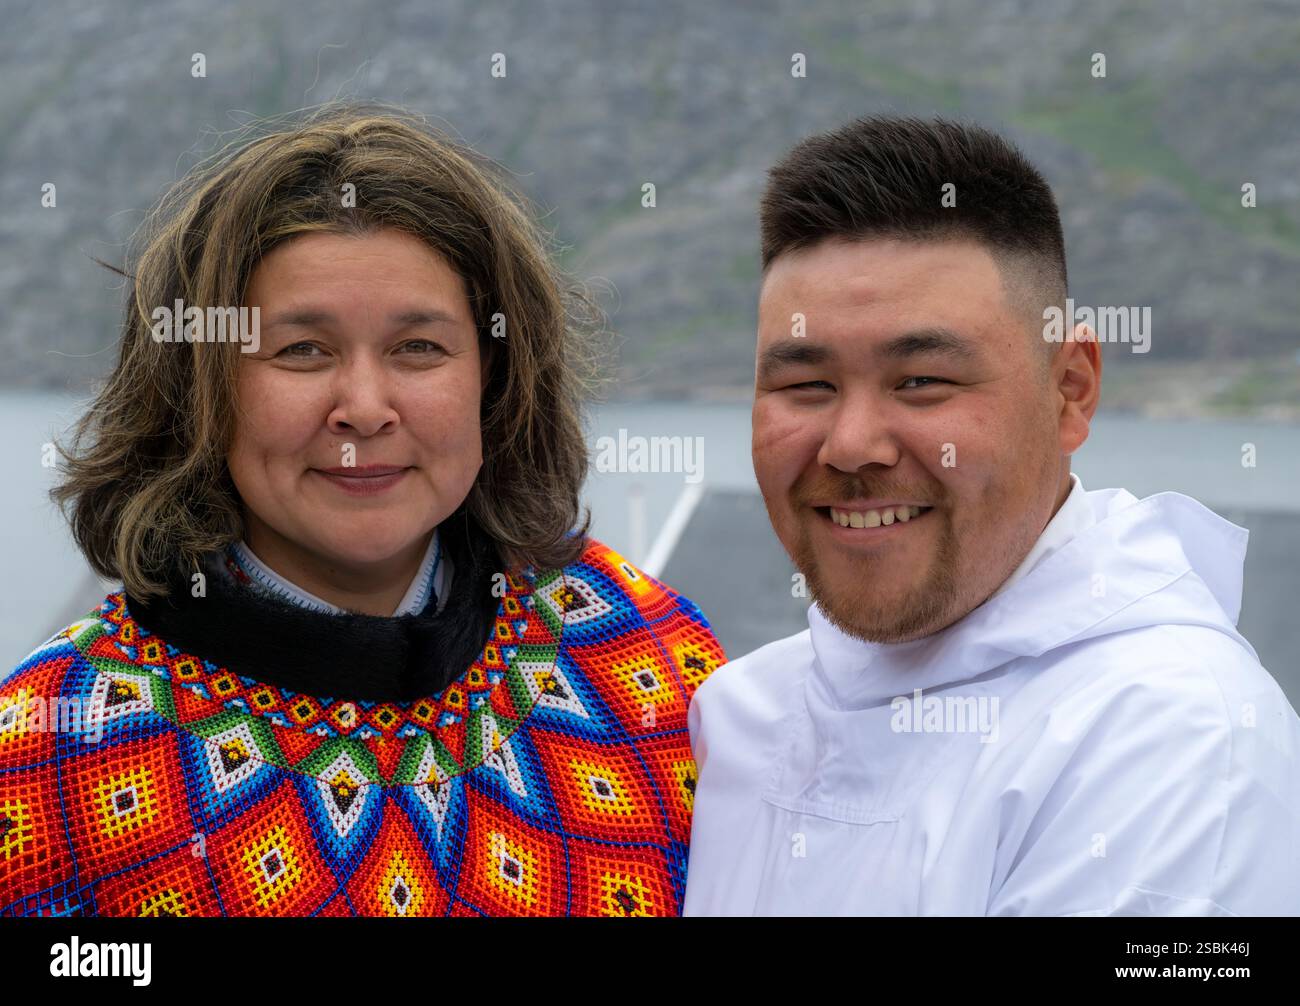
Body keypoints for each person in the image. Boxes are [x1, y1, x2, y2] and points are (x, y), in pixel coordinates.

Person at [0, 103, 725, 917]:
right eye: (301, 350)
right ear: (197, 388)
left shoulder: (652, 664)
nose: (366, 409)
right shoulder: (45, 758)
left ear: (493, 375)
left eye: (419, 347)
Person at [683, 115, 1300, 916]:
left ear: (1070, 390)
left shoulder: (1174, 742)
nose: (853, 445)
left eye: (921, 381)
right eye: (806, 387)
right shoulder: (728, 721)